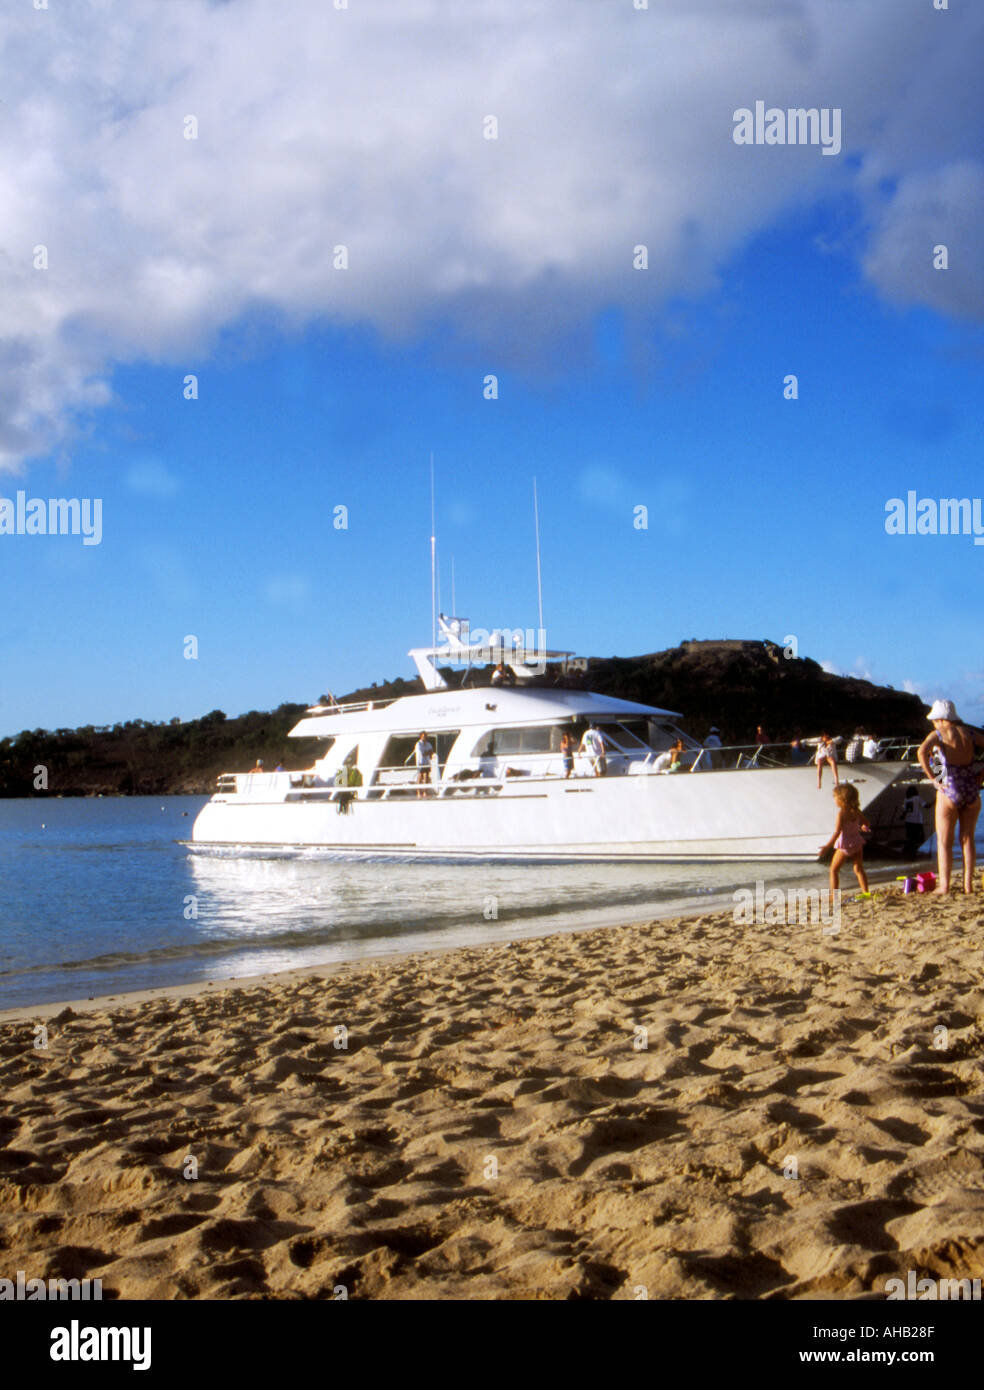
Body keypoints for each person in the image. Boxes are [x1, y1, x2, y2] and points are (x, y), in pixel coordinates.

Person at [917, 699, 984, 894]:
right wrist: (981, 775)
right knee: (967, 838)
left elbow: (921, 752)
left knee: (944, 842)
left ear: (939, 718)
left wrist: (932, 778)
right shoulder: (970, 733)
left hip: (949, 787)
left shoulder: (938, 734)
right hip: (971, 787)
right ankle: (968, 886)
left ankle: (944, 886)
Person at [819, 783, 870, 895]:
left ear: (842, 799)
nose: (834, 800)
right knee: (858, 869)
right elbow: (866, 823)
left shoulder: (841, 814)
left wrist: (827, 846)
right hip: (857, 843)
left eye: (835, 797)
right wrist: (863, 827)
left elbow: (837, 832)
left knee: (833, 870)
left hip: (845, 845)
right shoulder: (856, 811)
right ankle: (866, 893)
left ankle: (834, 896)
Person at [903, 786, 927, 858]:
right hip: (917, 821)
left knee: (910, 838)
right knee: (919, 838)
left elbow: (905, 811)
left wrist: (902, 817)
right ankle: (913, 853)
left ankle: (909, 852)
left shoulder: (906, 799)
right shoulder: (918, 798)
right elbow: (926, 805)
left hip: (908, 821)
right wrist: (935, 802)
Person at [414, 731, 435, 797]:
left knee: (426, 776)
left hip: (427, 762)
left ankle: (425, 792)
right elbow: (422, 753)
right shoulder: (418, 744)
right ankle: (418, 792)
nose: (425, 738)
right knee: (420, 777)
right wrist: (427, 752)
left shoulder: (428, 744)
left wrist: (428, 752)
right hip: (420, 762)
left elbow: (431, 752)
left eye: (425, 736)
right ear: (421, 736)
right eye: (423, 736)